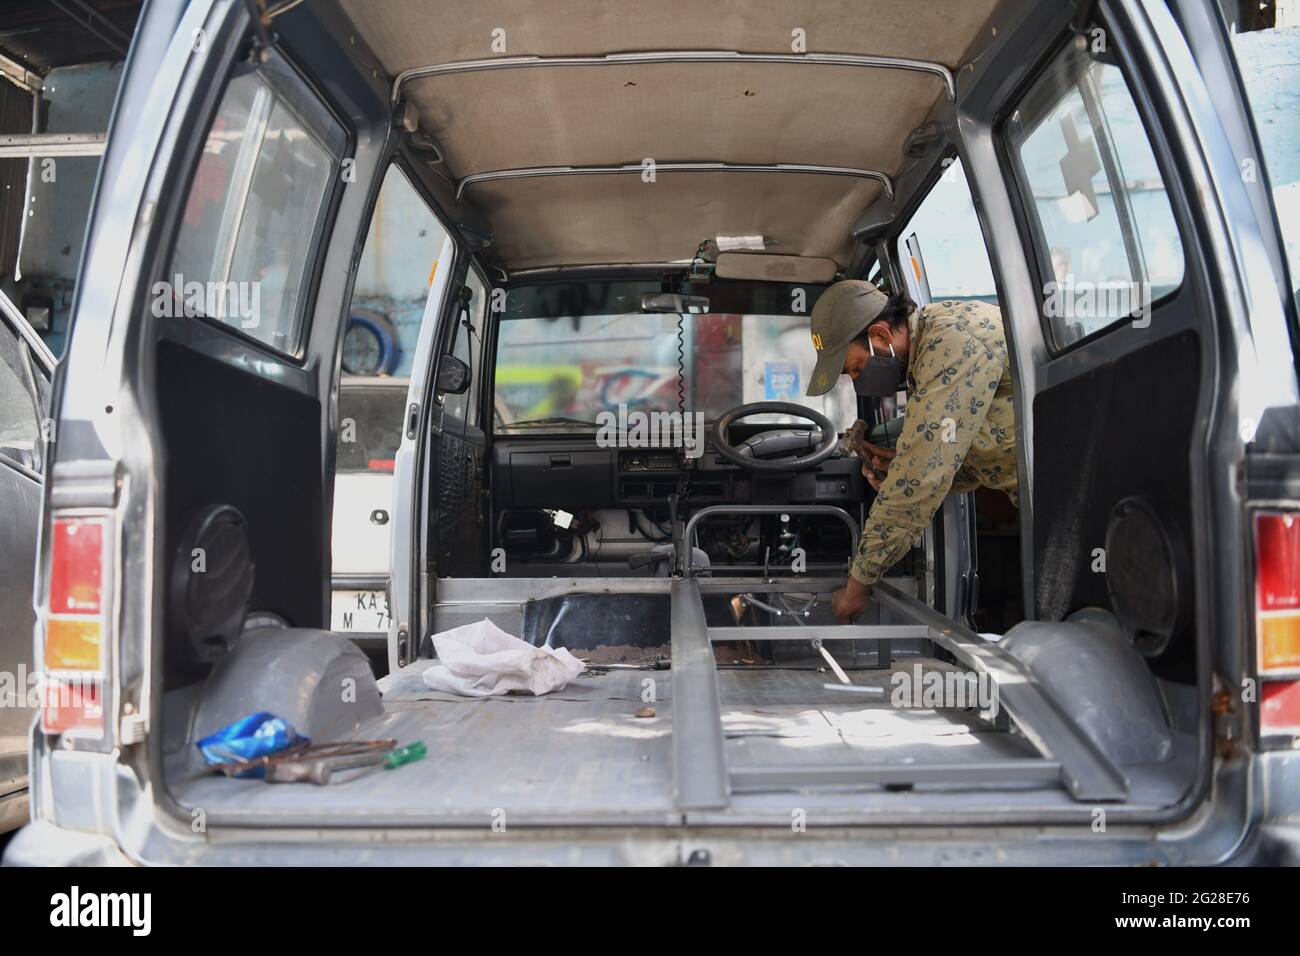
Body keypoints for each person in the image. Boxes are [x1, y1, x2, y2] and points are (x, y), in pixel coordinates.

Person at [804, 280, 1018, 622]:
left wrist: (857, 587)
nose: (858, 381)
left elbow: (918, 483)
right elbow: (961, 455)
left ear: (880, 336)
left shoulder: (951, 344)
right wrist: (900, 468)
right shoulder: (927, 353)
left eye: (856, 368)